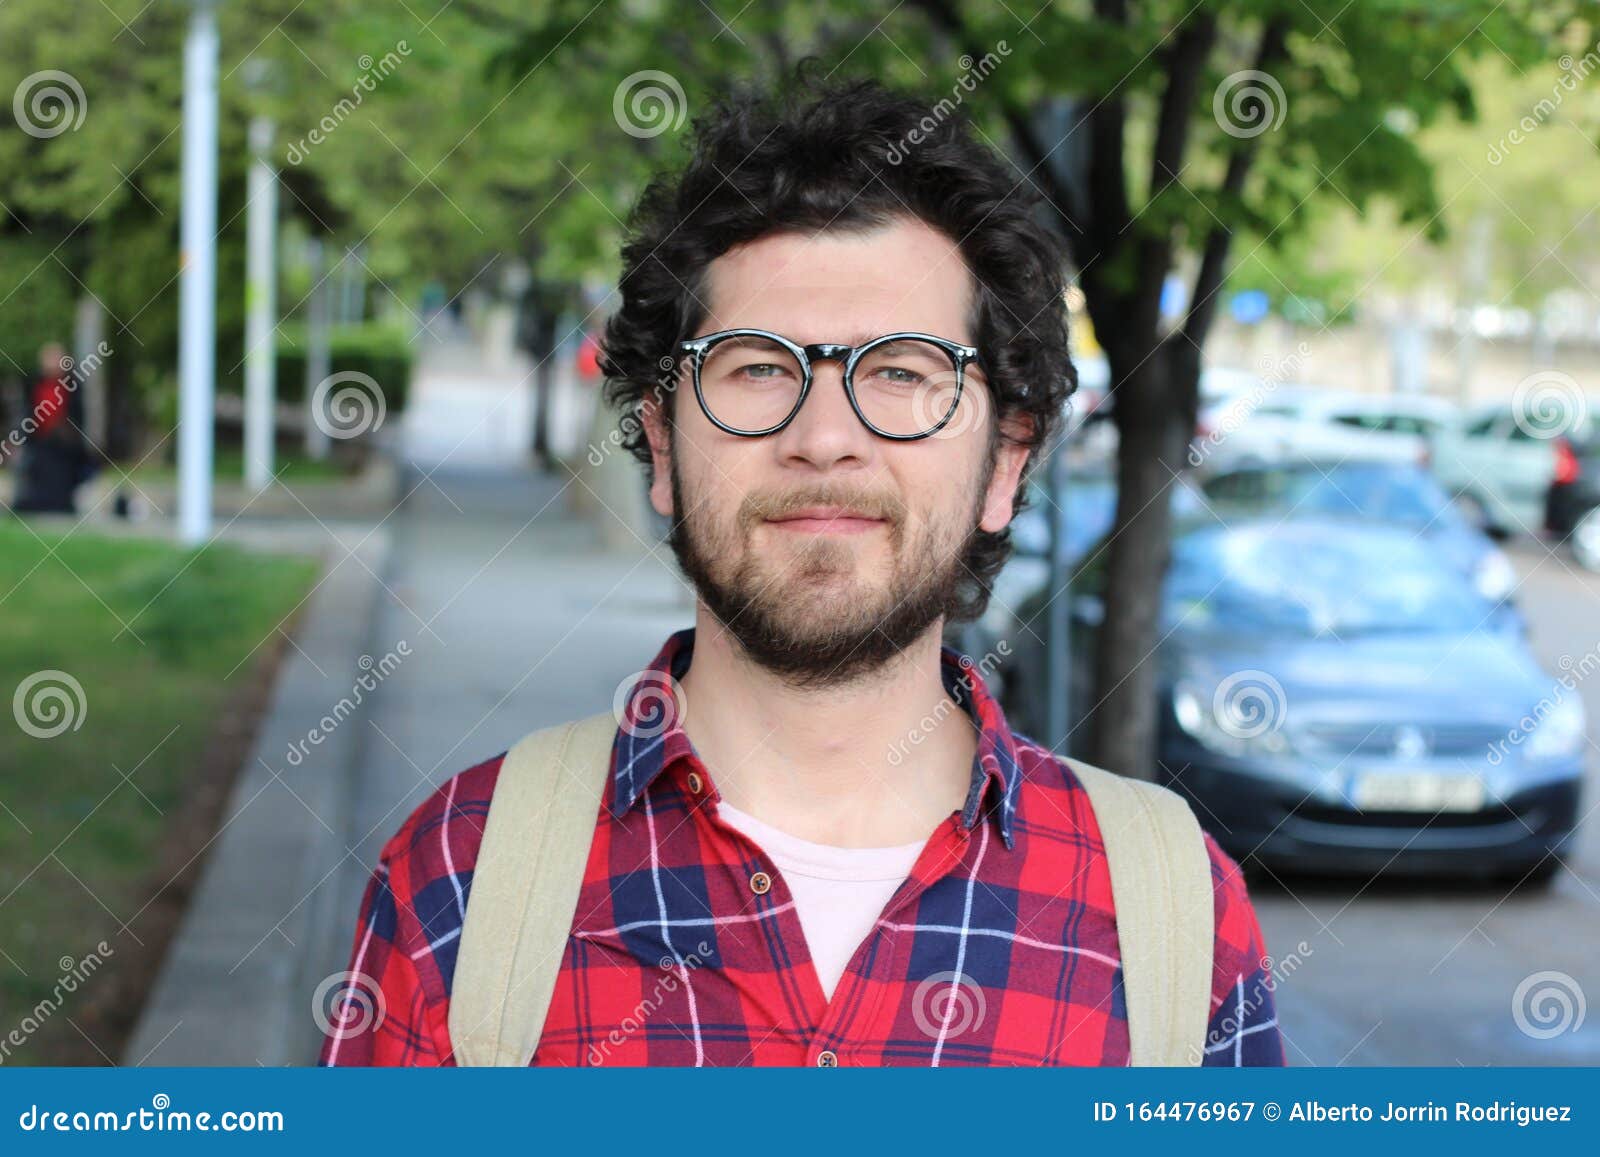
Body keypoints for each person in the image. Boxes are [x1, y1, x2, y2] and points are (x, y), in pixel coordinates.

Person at [321, 76, 1284, 1068]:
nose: (824, 438)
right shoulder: (461, 877)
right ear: (662, 445)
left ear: (1004, 463)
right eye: (756, 367)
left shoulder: (1176, 920)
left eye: (902, 371)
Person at [11, 343, 90, 515]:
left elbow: (78, 417)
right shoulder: (34, 384)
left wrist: (64, 430)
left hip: (64, 447)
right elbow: (28, 415)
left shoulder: (73, 386)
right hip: (39, 444)